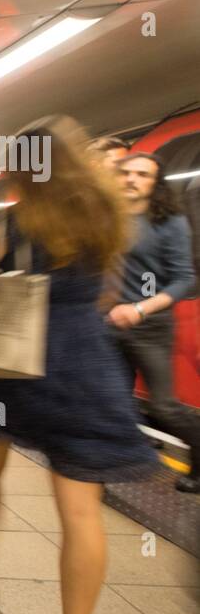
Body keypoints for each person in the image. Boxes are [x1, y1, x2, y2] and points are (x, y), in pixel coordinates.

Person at [0, 118, 160, 614]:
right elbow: (107, 293)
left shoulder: (6, 221)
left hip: (14, 370)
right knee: (81, 513)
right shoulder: (106, 219)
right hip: (86, 371)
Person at [106, 151, 200, 494]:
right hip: (106, 324)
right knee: (111, 398)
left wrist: (140, 309)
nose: (132, 179)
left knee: (163, 405)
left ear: (154, 184)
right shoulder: (105, 217)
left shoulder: (168, 221)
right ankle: (109, 466)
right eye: (126, 172)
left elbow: (184, 280)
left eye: (143, 174)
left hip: (150, 326)